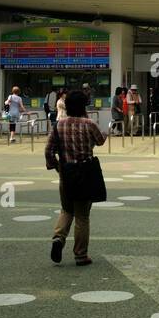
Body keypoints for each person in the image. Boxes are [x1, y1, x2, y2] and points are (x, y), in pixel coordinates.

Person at [44, 91, 106, 267]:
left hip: (66, 173)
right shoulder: (89, 124)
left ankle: (58, 238)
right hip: (85, 171)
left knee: (66, 209)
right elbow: (100, 141)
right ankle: (80, 254)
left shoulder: (58, 126)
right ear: (83, 106)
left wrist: (56, 166)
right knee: (82, 215)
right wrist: (104, 134)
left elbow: (48, 150)